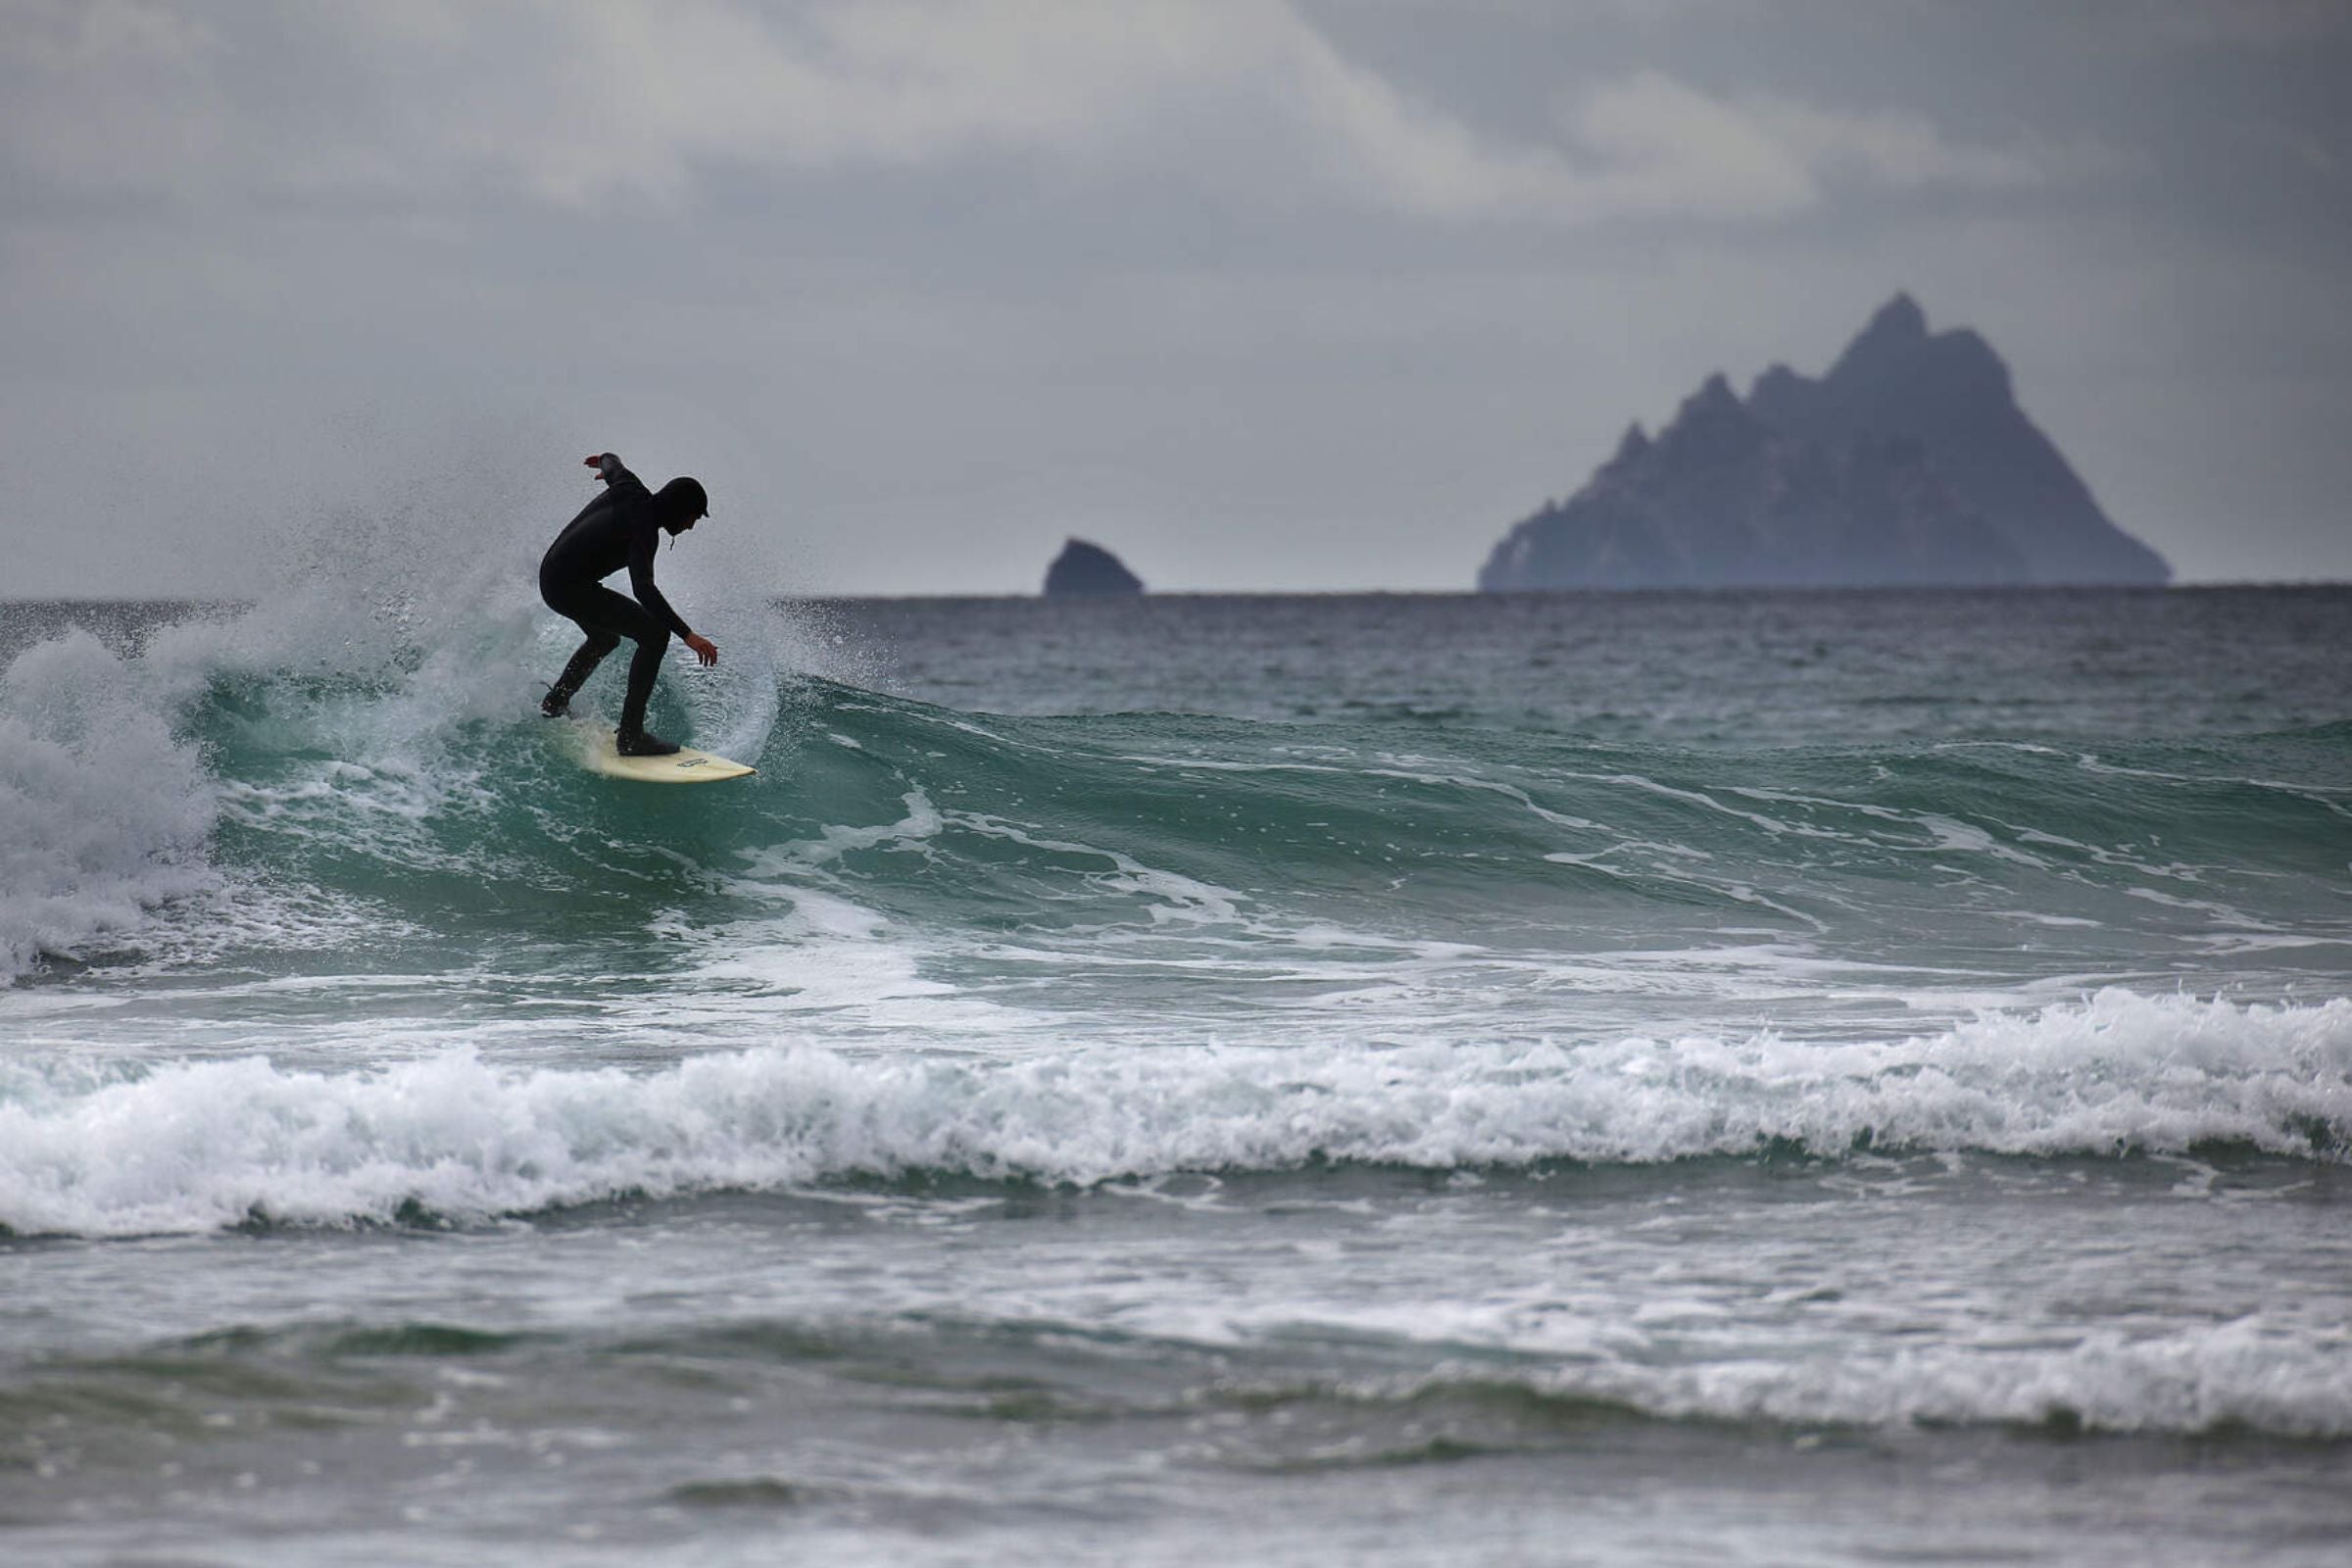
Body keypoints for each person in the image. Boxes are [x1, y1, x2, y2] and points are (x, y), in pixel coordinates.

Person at [537, 451, 719, 756]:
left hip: (552, 576)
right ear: (680, 510)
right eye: (693, 518)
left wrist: (603, 461)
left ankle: (555, 702)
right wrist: (688, 635)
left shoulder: (629, 486)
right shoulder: (643, 530)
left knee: (605, 638)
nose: (690, 527)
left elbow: (613, 462)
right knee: (655, 635)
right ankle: (631, 736)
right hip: (569, 588)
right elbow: (643, 590)